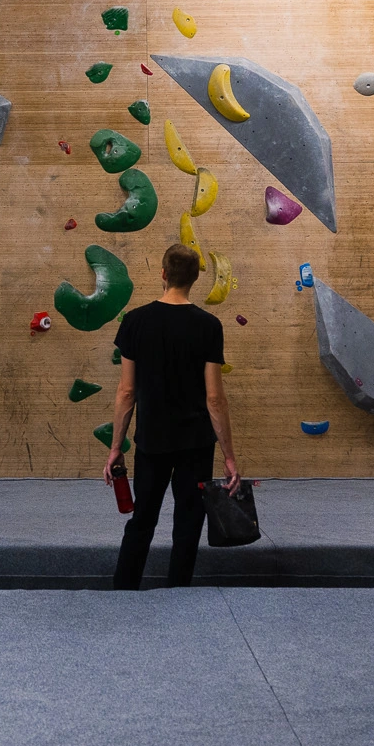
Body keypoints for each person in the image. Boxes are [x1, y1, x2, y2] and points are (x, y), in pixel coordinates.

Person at [105, 242, 238, 589]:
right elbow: (214, 398)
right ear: (194, 279)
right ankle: (179, 590)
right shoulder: (209, 326)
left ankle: (124, 588)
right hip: (196, 443)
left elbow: (126, 392)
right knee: (189, 520)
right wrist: (229, 456)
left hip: (152, 440)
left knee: (142, 520)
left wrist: (115, 447)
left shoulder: (134, 322)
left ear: (163, 274)